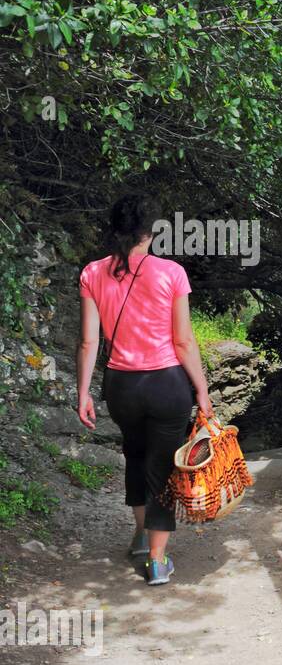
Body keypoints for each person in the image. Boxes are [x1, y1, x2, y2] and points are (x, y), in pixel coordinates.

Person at [75, 194, 213, 586]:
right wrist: (201, 390)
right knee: (164, 468)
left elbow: (89, 343)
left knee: (135, 456)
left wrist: (83, 392)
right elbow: (184, 342)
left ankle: (139, 536)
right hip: (166, 385)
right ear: (150, 233)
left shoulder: (92, 273)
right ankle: (156, 559)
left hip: (121, 387)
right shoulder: (171, 273)